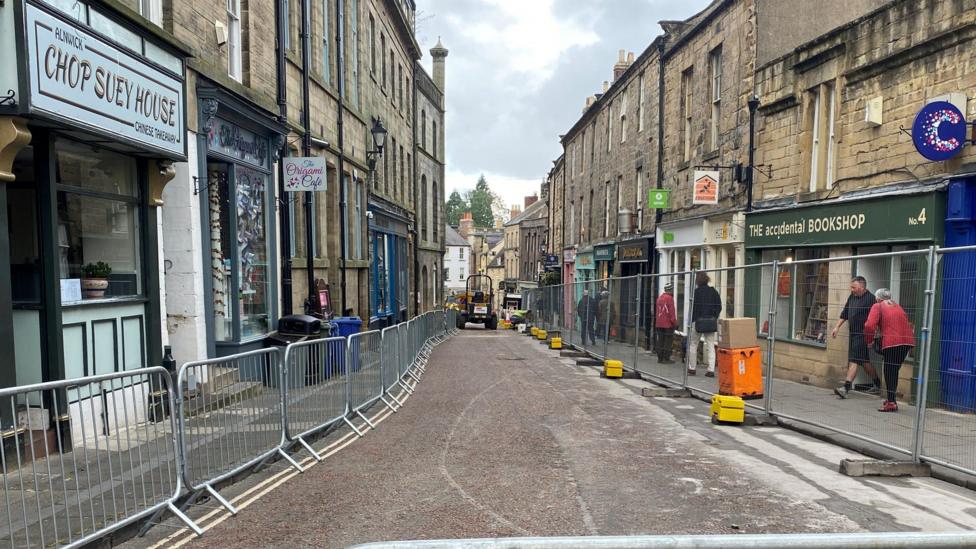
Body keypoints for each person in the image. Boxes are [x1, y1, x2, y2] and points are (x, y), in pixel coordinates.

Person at [864, 288, 915, 412]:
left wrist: (869, 341)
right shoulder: (897, 306)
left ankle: (891, 402)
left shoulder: (878, 306)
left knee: (888, 371)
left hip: (892, 342)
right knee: (894, 370)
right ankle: (891, 399)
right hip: (906, 342)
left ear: (878, 298)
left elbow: (869, 325)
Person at [831, 276, 882, 398]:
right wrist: (837, 327)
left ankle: (846, 387)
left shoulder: (871, 299)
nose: (851, 289)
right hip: (853, 333)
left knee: (854, 359)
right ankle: (877, 384)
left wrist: (875, 333)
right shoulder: (852, 297)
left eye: (854, 287)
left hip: (863, 334)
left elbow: (877, 318)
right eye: (851, 287)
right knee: (864, 361)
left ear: (862, 287)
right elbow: (845, 313)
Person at [688, 272, 722, 377]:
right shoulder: (714, 292)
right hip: (710, 322)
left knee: (693, 344)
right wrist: (714, 317)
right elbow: (719, 306)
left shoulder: (696, 293)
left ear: (697, 281)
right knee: (711, 345)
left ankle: (692, 368)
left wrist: (693, 319)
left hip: (697, 321)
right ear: (707, 280)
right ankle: (711, 370)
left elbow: (692, 308)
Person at [655, 283, 678, 363]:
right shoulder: (669, 298)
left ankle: (659, 358)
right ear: (670, 290)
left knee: (660, 340)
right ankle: (666, 358)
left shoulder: (659, 298)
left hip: (659, 323)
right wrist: (674, 323)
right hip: (667, 324)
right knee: (667, 341)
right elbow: (671, 312)